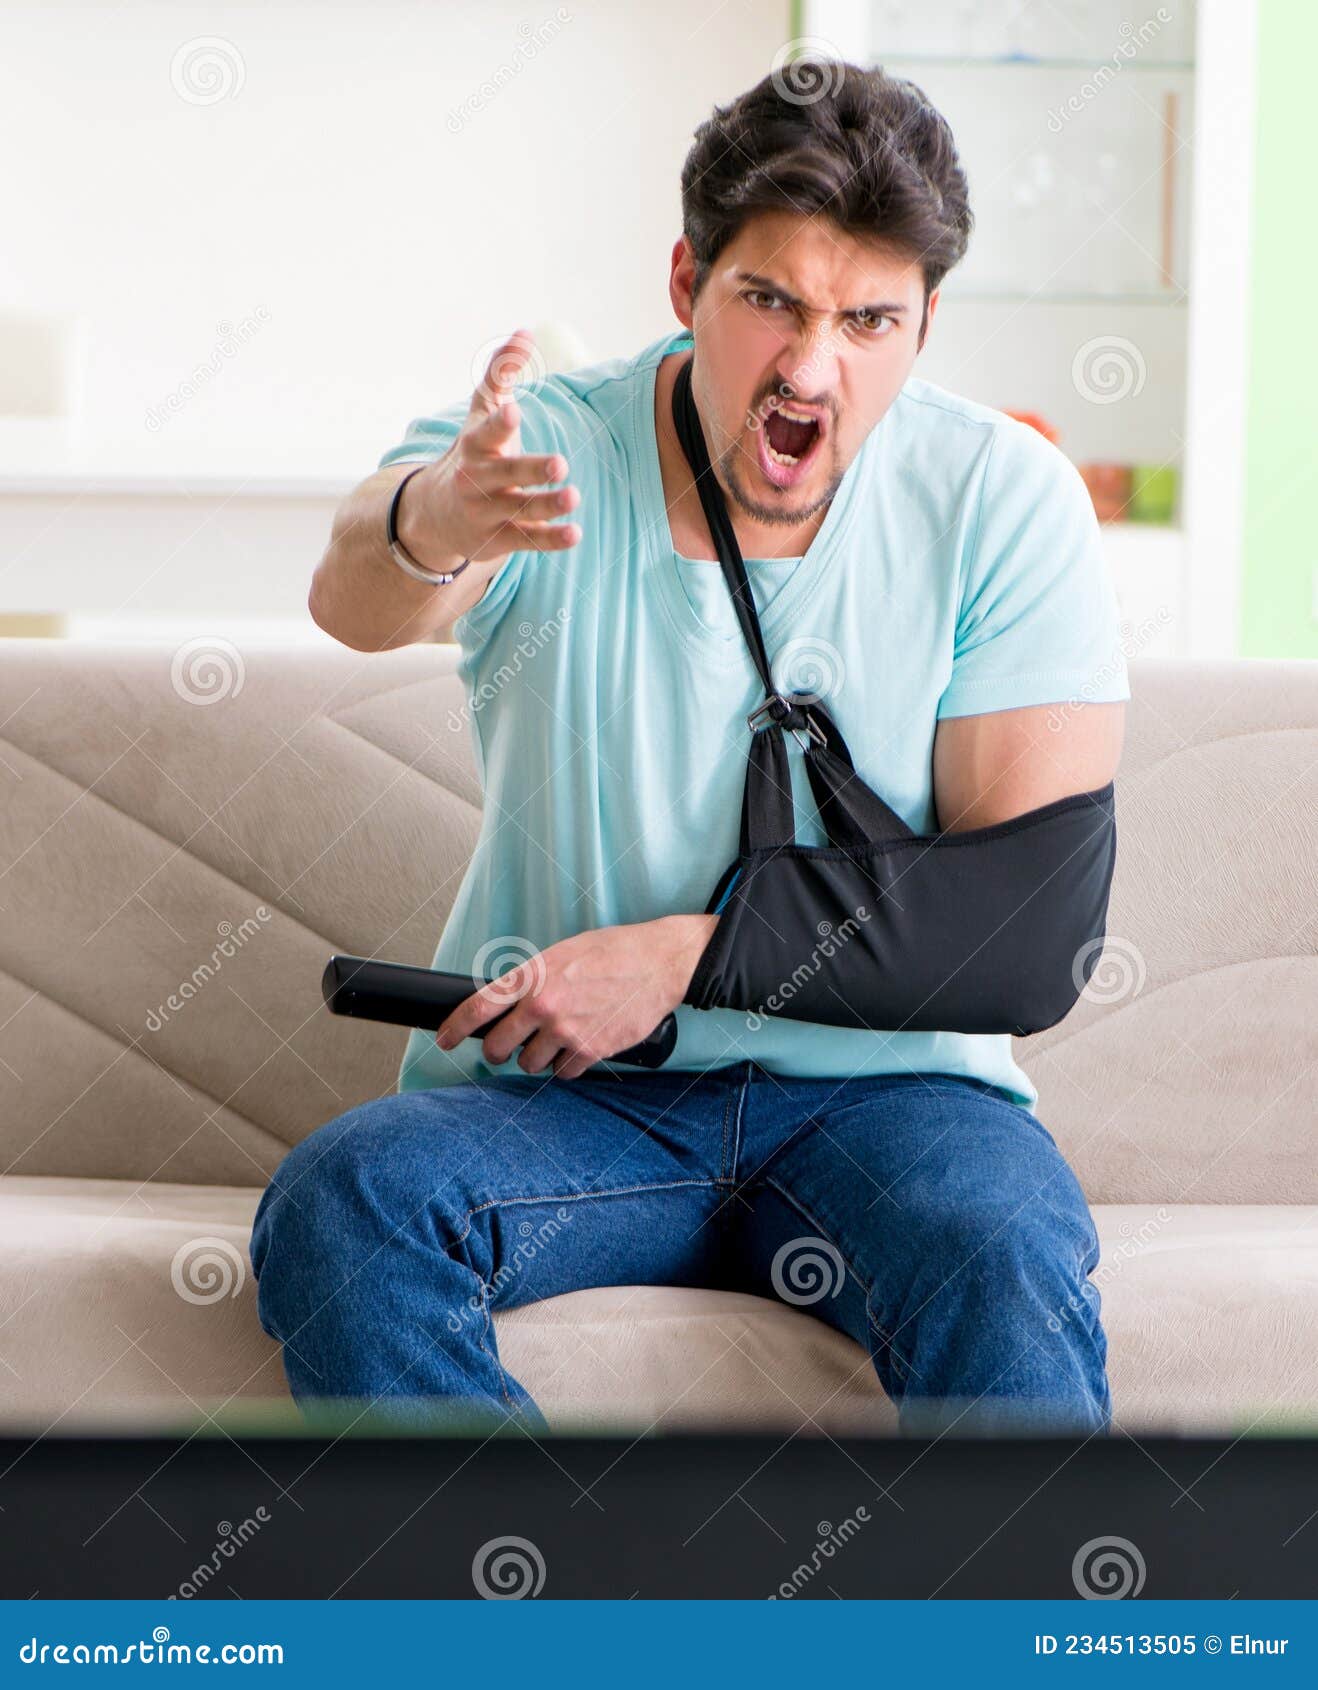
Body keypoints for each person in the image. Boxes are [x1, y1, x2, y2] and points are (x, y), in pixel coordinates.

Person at [250, 59, 1126, 1438]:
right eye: (767, 300)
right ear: (684, 282)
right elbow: (355, 597)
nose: (808, 364)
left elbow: (1025, 926)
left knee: (997, 1249)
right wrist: (439, 516)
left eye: (868, 319)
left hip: (894, 1106)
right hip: (573, 1108)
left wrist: (691, 953)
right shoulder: (541, 451)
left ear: (925, 323)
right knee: (349, 1202)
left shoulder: (1000, 501)